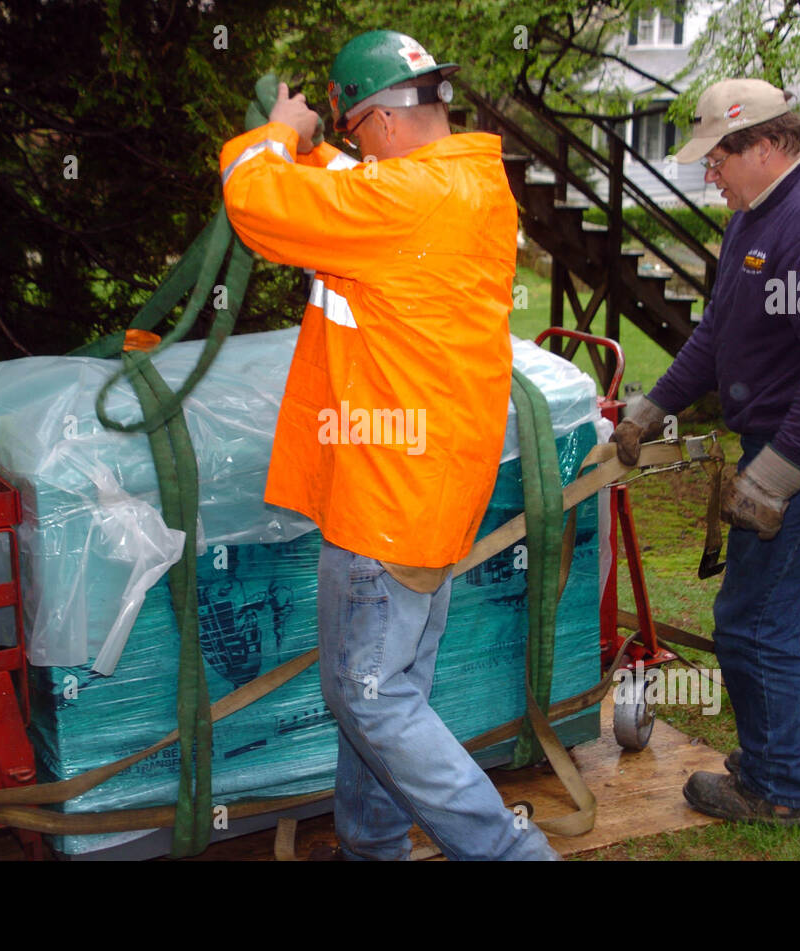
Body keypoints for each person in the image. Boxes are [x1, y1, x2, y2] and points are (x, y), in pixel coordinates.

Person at [219, 30, 559, 860]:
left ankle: (510, 852)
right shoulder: (467, 182)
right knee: (389, 685)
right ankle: (374, 846)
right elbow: (358, 190)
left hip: (388, 503)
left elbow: (258, 203)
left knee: (369, 699)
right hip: (434, 487)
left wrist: (273, 134)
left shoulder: (402, 202)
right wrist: (318, 148)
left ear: (379, 123)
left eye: (358, 133)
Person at [611, 78, 800, 825]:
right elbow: (716, 334)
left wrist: (773, 473)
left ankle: (774, 787)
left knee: (751, 620)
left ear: (768, 144)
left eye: (719, 157)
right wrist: (650, 411)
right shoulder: (755, 215)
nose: (710, 172)